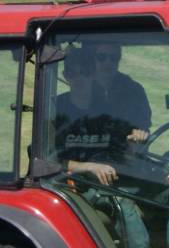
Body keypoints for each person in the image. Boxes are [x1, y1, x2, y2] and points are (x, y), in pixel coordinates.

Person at [50, 40, 152, 184]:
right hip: (64, 185)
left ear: (92, 74)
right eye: (73, 74)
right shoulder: (54, 108)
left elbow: (122, 150)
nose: (79, 78)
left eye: (84, 73)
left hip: (103, 183)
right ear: (66, 75)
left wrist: (133, 142)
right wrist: (88, 167)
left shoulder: (109, 109)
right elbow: (45, 158)